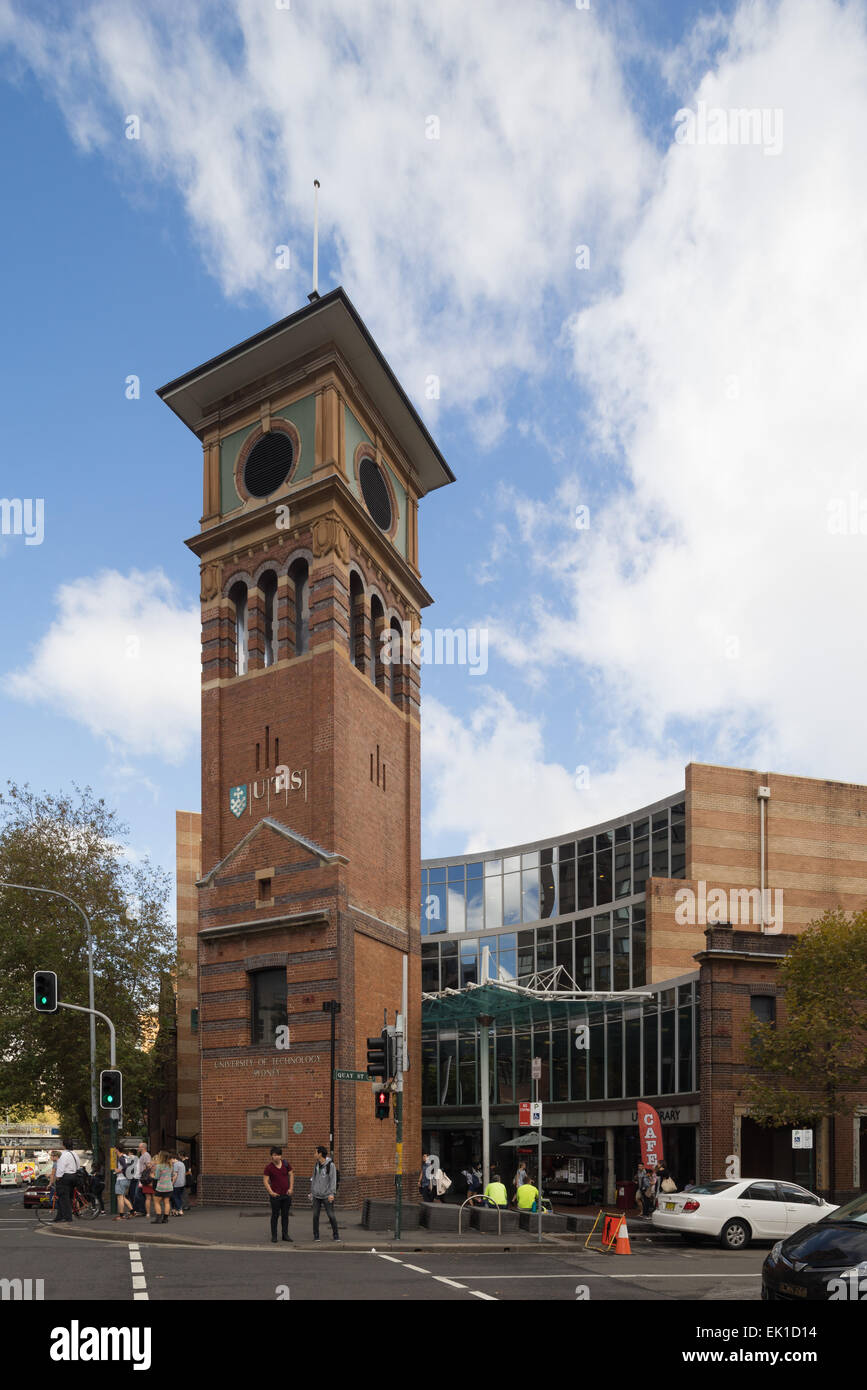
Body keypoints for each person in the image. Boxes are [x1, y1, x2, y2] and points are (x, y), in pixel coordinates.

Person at [263, 1146, 294, 1243]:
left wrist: (291, 1188)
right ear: (271, 1156)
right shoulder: (269, 1167)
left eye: (278, 1155)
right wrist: (271, 1192)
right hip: (275, 1196)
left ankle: (285, 1235)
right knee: (275, 1216)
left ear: (281, 1156)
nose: (276, 1157)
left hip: (286, 1195)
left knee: (285, 1216)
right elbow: (265, 1181)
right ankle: (274, 1236)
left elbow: (291, 1174)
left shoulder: (286, 1164)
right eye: (274, 1155)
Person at [310, 1145, 340, 1242]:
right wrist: (312, 1192)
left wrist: (332, 1193)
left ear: (320, 1154)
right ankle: (316, 1235)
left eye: (315, 1152)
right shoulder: (316, 1165)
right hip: (316, 1195)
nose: (314, 1154)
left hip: (327, 1195)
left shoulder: (330, 1165)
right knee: (315, 1216)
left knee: (331, 1215)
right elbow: (314, 1179)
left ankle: (336, 1235)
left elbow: (333, 1180)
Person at [53, 1141, 78, 1222]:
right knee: (68, 1198)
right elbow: (78, 1164)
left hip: (65, 1177)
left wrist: (58, 1177)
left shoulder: (64, 1155)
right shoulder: (74, 1154)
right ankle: (59, 1216)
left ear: (63, 1145)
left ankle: (67, 1217)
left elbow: (61, 1167)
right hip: (74, 1176)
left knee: (63, 1198)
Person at [129, 1142, 151, 1216]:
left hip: (142, 1177)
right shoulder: (142, 1156)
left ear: (143, 1148)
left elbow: (148, 1165)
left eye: (139, 1147)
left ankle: (141, 1210)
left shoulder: (146, 1155)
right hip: (140, 1177)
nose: (138, 1148)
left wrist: (144, 1173)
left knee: (138, 1194)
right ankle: (141, 1210)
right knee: (139, 1194)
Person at [152, 1151, 174, 1223]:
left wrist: (152, 1175)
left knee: (156, 1202)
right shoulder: (170, 1166)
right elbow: (171, 1175)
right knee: (167, 1202)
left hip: (161, 1187)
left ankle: (158, 1219)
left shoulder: (159, 1166)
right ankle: (165, 1219)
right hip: (169, 1187)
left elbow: (157, 1177)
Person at [113, 1149, 132, 1221]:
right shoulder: (126, 1157)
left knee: (120, 1197)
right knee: (123, 1197)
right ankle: (132, 1211)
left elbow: (125, 1167)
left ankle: (121, 1215)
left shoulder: (121, 1158)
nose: (114, 1151)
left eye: (115, 1149)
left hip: (121, 1179)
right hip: (127, 1179)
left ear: (117, 1150)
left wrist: (119, 1170)